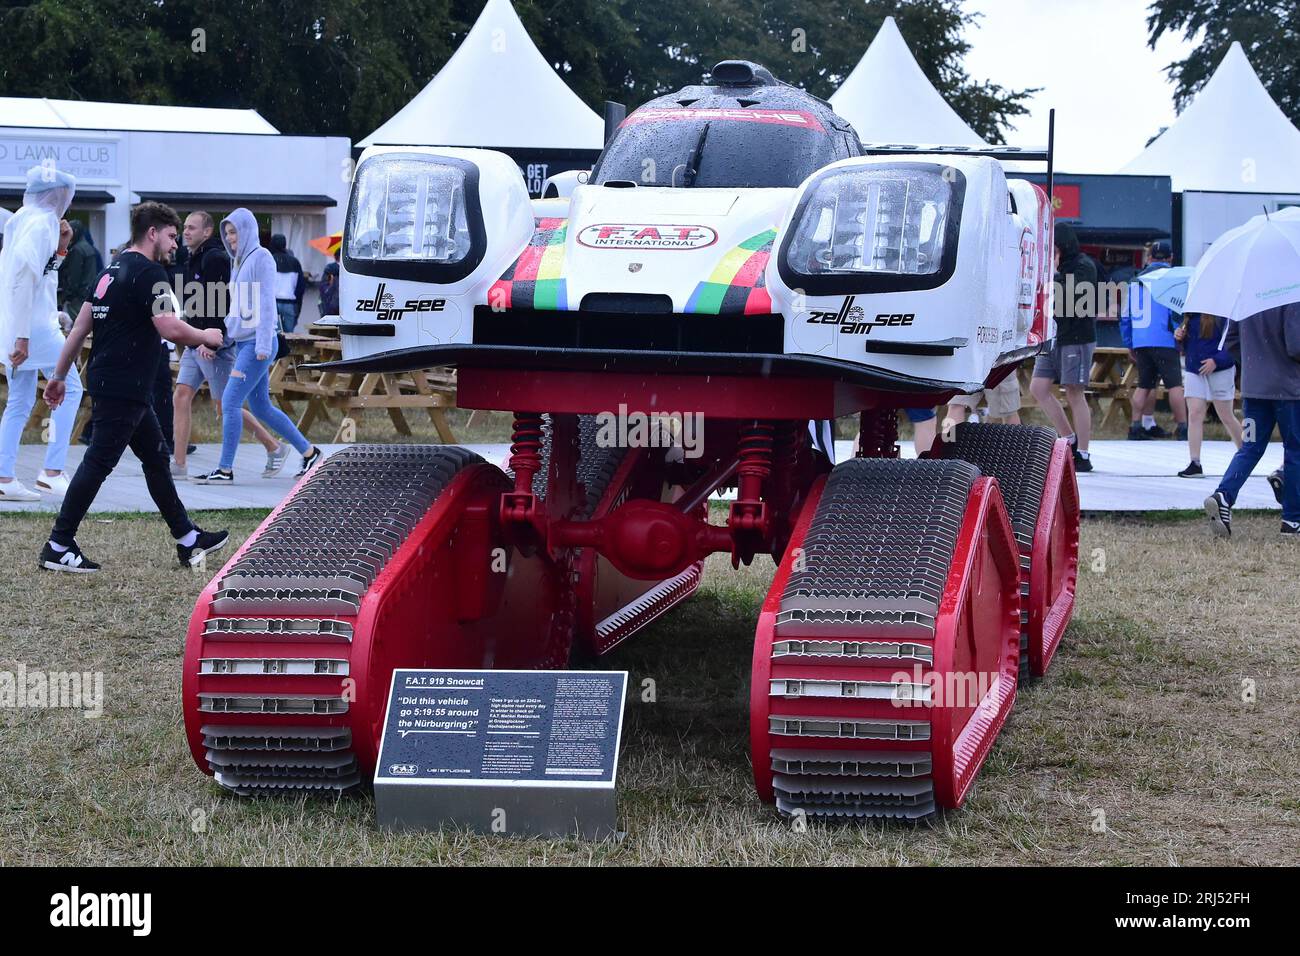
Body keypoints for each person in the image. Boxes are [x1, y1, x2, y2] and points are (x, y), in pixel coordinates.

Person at [38, 201, 229, 572]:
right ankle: (59, 544)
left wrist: (59, 376)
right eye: (172, 236)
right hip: (125, 384)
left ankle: (187, 540)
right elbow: (169, 327)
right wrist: (205, 335)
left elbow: (79, 329)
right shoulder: (151, 274)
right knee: (99, 461)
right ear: (153, 233)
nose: (175, 244)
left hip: (117, 381)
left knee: (156, 459)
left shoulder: (109, 271)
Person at [194, 208, 321, 484]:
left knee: (229, 403)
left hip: (257, 345)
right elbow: (240, 310)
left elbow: (265, 302)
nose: (230, 238)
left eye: (234, 232)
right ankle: (310, 453)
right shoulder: (238, 261)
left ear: (247, 230)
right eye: (226, 233)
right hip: (245, 344)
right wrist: (222, 341)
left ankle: (225, 470)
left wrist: (263, 343)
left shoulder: (261, 258)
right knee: (261, 407)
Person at [171, 211, 285, 479]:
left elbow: (227, 301)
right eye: (184, 227)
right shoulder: (193, 258)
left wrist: (215, 339)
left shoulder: (217, 259)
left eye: (191, 227)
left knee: (226, 406)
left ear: (207, 232)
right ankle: (178, 464)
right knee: (181, 395)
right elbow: (195, 299)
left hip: (214, 346)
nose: (185, 232)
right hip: (195, 341)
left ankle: (273, 446)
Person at [0, 166, 85, 502]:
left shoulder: (21, 219)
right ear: (58, 195)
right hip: (33, 328)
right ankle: (52, 471)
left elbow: (40, 273)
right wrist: (22, 335)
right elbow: (24, 277)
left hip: (18, 324)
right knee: (72, 387)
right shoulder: (44, 221)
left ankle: (5, 477)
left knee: (19, 402)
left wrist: (62, 249)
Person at [1204, 302, 1300, 537]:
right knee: (1295, 450)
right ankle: (1292, 520)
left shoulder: (1247, 296)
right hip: (1289, 390)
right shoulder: (1291, 296)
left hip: (1253, 388)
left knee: (1250, 448)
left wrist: (1254, 362)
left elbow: (1231, 341)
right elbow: (1296, 346)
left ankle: (1224, 495)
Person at [1030, 222, 1097, 472]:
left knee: (1074, 392)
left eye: (1054, 245)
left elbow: (1074, 300)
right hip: (1053, 336)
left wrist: (1055, 277)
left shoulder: (1083, 266)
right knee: (1038, 388)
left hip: (1076, 338)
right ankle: (1068, 438)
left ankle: (1084, 453)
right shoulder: (1055, 269)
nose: (1051, 250)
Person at [1121, 239, 1187, 441]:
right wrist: (1180, 336)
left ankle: (1135, 426)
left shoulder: (1134, 281)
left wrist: (1129, 342)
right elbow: (1175, 311)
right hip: (1164, 339)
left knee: (1144, 385)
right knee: (1175, 385)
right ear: (1171, 258)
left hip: (1141, 339)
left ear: (1150, 258)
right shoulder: (1170, 278)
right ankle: (1183, 428)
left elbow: (1125, 315)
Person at [1174, 312, 1242, 477]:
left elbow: (1233, 342)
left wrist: (1217, 360)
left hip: (1219, 369)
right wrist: (1179, 338)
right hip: (1194, 369)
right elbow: (1185, 348)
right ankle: (1195, 462)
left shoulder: (1223, 313)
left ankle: (1247, 454)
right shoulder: (1189, 315)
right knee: (1195, 414)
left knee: (1226, 415)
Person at [946, 369, 1022, 428]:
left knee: (956, 407)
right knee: (1009, 412)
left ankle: (948, 446)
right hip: (998, 356)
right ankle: (1017, 448)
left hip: (967, 356)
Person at [58, 221, 99, 317]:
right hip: (88, 293)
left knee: (71, 325)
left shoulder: (77, 250)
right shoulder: (89, 248)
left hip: (77, 297)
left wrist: (67, 295)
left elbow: (74, 276)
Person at [270, 233, 304, 333]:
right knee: (290, 338)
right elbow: (300, 288)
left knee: (274, 335)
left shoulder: (269, 260)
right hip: (290, 303)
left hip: (273, 303)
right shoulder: (294, 262)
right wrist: (298, 307)